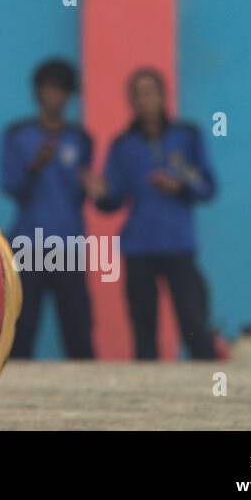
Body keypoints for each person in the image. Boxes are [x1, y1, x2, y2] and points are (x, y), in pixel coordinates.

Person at [89, 67, 218, 360]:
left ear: (163, 96)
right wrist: (100, 194)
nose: (145, 100)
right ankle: (147, 395)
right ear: (131, 102)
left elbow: (208, 188)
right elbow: (113, 201)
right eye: (138, 95)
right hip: (139, 247)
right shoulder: (122, 145)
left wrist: (180, 184)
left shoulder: (187, 137)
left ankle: (212, 387)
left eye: (150, 92)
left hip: (179, 244)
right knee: (143, 326)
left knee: (192, 320)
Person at [0, 58, 95, 359]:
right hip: (28, 241)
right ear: (38, 93)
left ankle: (88, 394)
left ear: (70, 95)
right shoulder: (17, 134)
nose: (55, 96)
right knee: (23, 326)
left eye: (61, 90)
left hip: (68, 243)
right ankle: (13, 397)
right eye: (49, 89)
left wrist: (99, 190)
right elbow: (11, 187)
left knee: (78, 328)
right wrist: (34, 167)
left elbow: (86, 193)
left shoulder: (81, 138)